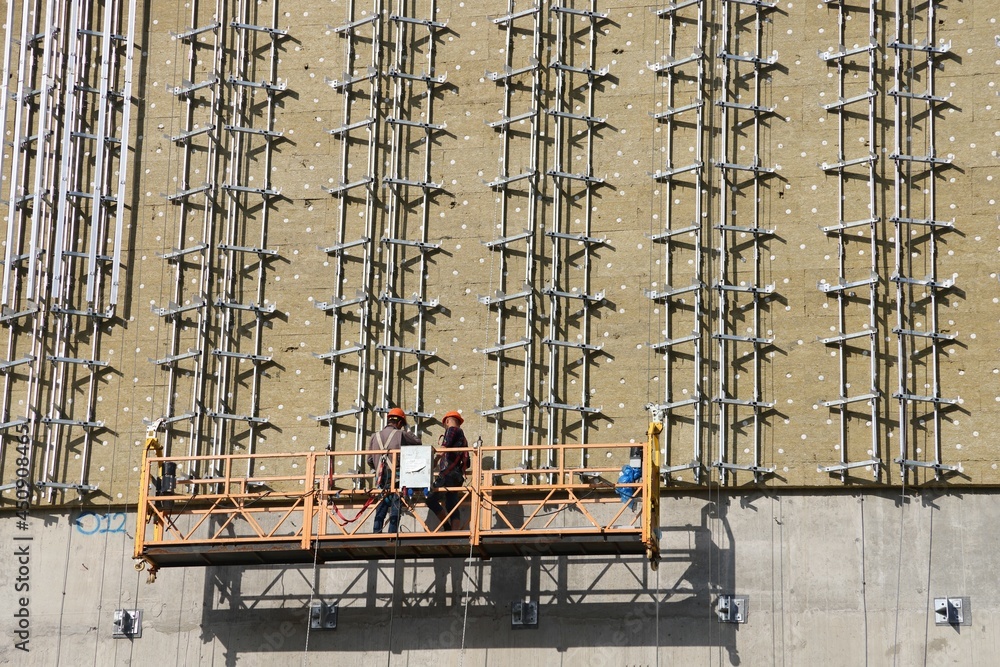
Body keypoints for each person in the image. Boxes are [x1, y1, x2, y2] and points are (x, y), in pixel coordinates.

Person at [369, 407, 421, 534]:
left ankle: (376, 532)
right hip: (396, 477)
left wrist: (378, 464)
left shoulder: (374, 436)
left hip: (380, 478)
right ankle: (392, 533)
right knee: (396, 506)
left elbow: (369, 460)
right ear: (399, 423)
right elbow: (417, 442)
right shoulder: (401, 434)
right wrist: (408, 430)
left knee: (381, 506)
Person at [425, 410, 469, 531]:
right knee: (452, 505)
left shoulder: (452, 430)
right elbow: (467, 462)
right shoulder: (463, 439)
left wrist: (433, 461)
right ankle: (454, 531)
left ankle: (447, 526)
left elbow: (444, 447)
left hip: (447, 474)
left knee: (430, 500)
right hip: (457, 477)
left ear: (448, 421)